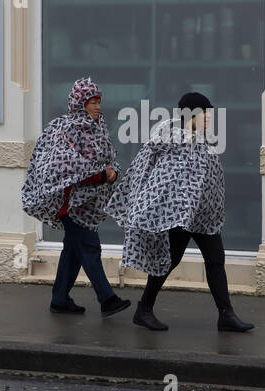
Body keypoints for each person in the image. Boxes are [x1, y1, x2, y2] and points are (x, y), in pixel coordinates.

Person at [107, 92, 253, 332]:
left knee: (216, 260)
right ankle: (143, 309)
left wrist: (213, 207)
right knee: (170, 260)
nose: (208, 116)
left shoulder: (203, 140)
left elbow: (210, 178)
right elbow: (158, 177)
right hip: (181, 215)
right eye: (204, 112)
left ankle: (226, 315)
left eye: (209, 112)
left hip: (204, 217)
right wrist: (147, 206)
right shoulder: (174, 141)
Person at [22, 77, 131, 317]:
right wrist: (102, 175)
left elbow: (106, 157)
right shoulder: (67, 128)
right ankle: (107, 299)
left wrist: (111, 174)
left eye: (98, 101)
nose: (96, 106)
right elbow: (64, 167)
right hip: (70, 204)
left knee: (72, 252)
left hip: (88, 204)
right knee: (90, 247)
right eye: (91, 101)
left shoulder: (98, 126)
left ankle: (60, 299)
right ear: (79, 103)